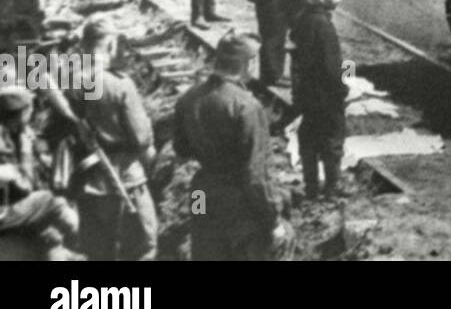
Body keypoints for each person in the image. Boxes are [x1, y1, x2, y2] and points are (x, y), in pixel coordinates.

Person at [173, 33, 286, 260]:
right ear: (248, 64)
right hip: (236, 199)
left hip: (200, 192)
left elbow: (181, 149)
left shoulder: (188, 98)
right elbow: (256, 174)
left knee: (203, 250)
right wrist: (273, 221)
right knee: (267, 247)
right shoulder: (247, 106)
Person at [64, 21, 158, 261]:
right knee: (142, 246)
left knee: (97, 252)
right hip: (123, 178)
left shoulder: (70, 80)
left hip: (85, 180)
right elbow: (141, 138)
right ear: (111, 45)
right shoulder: (119, 83)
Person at [0, 86, 79, 256]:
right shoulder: (6, 140)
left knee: (53, 245)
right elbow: (25, 185)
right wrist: (26, 151)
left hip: (22, 212)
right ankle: (83, 241)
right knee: (52, 201)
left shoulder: (19, 132)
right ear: (23, 112)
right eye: (30, 107)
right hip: (7, 212)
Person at [290, 0, 348, 201]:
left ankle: (311, 187)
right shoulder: (324, 25)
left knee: (309, 139)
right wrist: (344, 87)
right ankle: (333, 188)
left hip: (306, 91)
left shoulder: (303, 19)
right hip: (326, 94)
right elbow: (334, 66)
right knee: (333, 139)